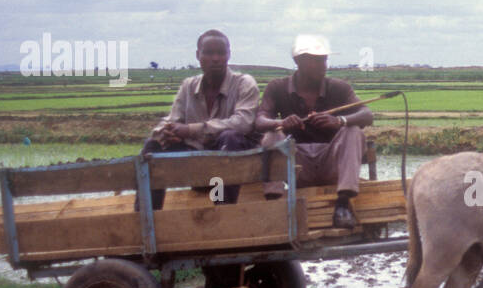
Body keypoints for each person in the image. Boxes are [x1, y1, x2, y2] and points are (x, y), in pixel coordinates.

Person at [256, 34, 373, 229]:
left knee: (352, 131)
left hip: (331, 162)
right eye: (316, 61)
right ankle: (274, 203)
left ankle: (343, 203)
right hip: (296, 164)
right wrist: (281, 123)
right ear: (298, 62)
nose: (323, 65)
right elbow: (260, 120)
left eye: (324, 60)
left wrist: (338, 121)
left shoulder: (339, 88)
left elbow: (366, 115)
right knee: (271, 135)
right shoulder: (277, 87)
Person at [138, 29, 259, 210]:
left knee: (230, 137)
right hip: (198, 158)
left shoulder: (244, 83)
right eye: (209, 53)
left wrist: (190, 130)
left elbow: (243, 123)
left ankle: (223, 210)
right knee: (153, 146)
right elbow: (173, 119)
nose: (215, 58)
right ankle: (146, 218)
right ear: (198, 55)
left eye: (221, 53)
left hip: (234, 159)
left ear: (228, 55)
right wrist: (166, 131)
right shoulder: (189, 86)